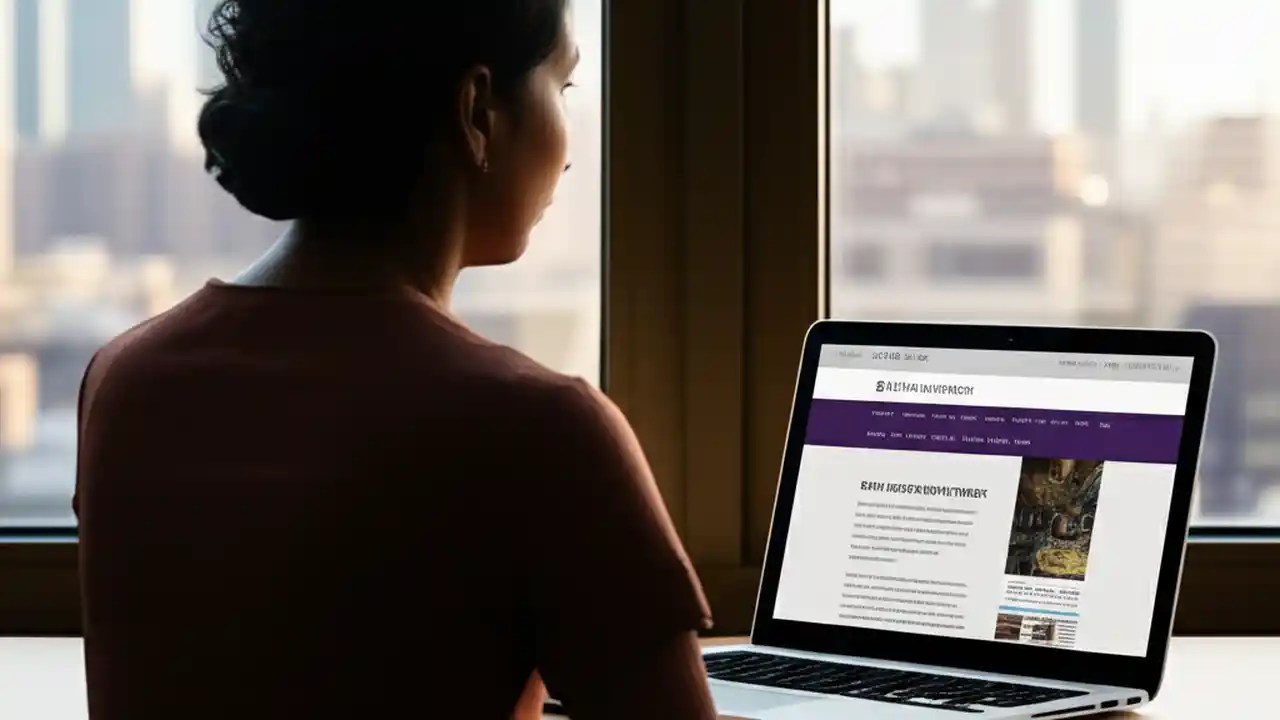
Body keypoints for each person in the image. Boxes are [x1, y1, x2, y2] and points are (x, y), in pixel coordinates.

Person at [73, 2, 717, 718]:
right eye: (561, 88)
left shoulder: (126, 382)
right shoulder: (543, 430)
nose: (567, 149)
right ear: (476, 111)